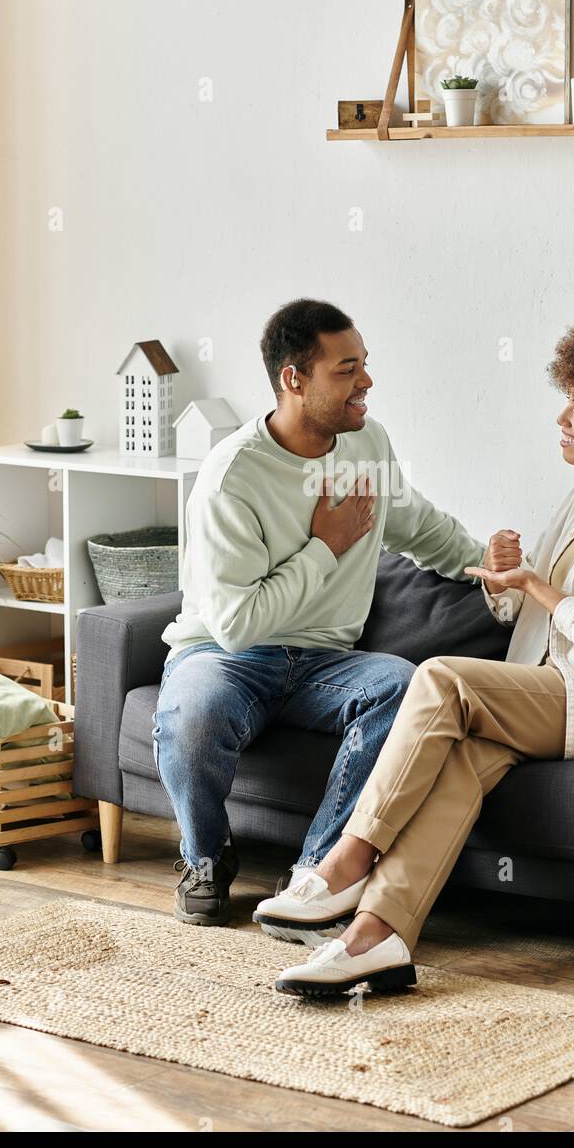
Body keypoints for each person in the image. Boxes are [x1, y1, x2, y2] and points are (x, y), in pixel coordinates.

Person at [274, 318, 574, 997]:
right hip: (553, 687)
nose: (562, 417)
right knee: (458, 763)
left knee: (442, 678)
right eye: (565, 399)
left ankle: (345, 862)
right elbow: (541, 613)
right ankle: (376, 939)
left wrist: (540, 584)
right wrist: (511, 583)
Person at [152, 298, 521, 928]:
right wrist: (327, 545)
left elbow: (416, 527)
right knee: (192, 710)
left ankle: (315, 872)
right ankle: (205, 856)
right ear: (295, 380)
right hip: (226, 654)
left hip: (328, 661)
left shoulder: (367, 444)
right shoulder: (233, 477)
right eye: (347, 370)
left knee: (404, 688)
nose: (367, 383)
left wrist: (486, 565)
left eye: (365, 366)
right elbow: (239, 624)